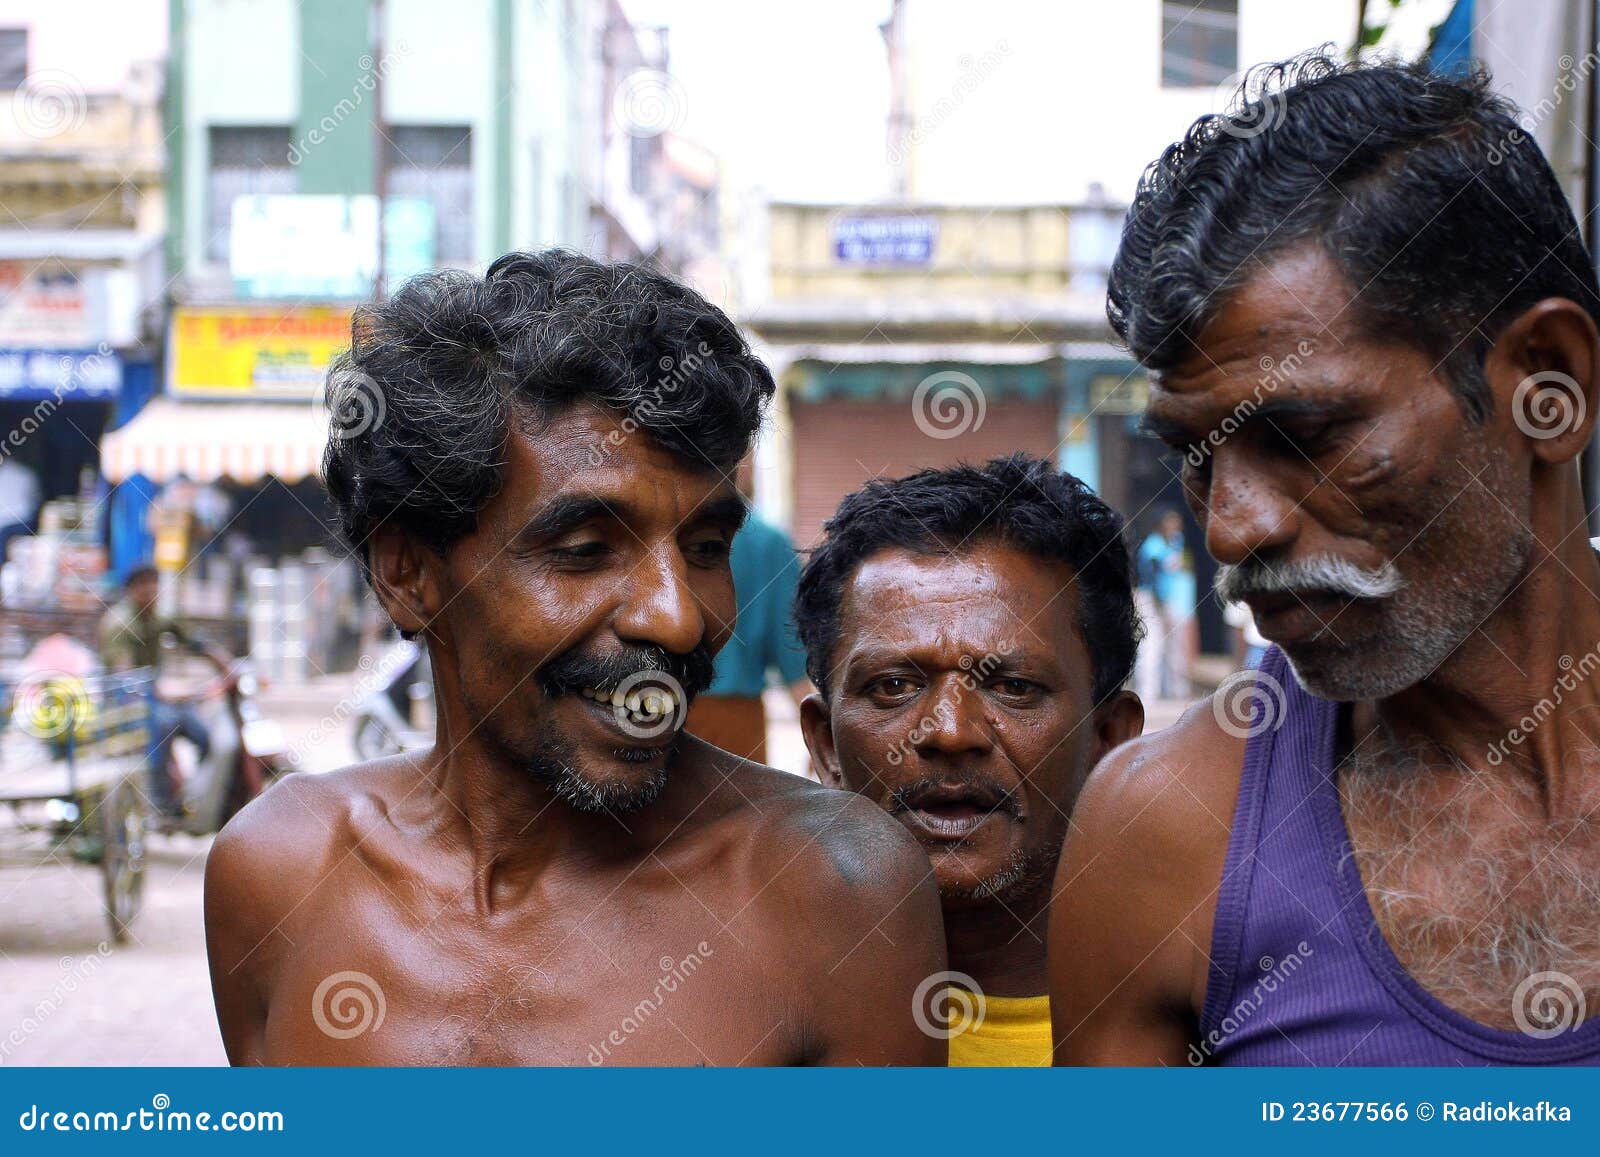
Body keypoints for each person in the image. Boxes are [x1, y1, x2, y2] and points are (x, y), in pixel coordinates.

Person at [204, 251, 946, 1066]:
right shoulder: (277, 872)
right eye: (586, 548)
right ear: (409, 574)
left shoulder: (837, 890)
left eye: (705, 546)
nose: (676, 617)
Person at [1051, 55, 1600, 1065]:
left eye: (1305, 434)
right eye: (1195, 455)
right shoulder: (1163, 836)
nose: (1232, 527)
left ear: (1546, 383)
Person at [795, 455, 1143, 1064]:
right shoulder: (735, 1009)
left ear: (1109, 738)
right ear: (825, 745)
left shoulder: (1217, 1016)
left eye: (1013, 686)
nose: (950, 733)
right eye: (892, 687)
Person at [684, 457, 810, 765]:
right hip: (738, 723)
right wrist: (817, 737)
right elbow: (792, 656)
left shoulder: (667, 532)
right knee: (738, 810)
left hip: (661, 712)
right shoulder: (769, 542)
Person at [98, 564, 231, 820]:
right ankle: (160, 804)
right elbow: (123, 674)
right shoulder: (119, 624)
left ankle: (191, 795)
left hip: (156, 694)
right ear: (132, 591)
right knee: (162, 726)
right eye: (145, 589)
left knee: (203, 734)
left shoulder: (158, 616)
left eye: (155, 588)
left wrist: (223, 661)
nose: (151, 595)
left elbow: (193, 640)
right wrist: (160, 691)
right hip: (127, 699)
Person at [1134, 509, 1193, 700]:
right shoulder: (1152, 546)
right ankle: (1148, 694)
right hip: (1152, 599)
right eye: (1169, 523)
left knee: (1176, 646)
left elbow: (1184, 565)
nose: (1173, 527)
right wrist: (1160, 603)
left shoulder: (1177, 540)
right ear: (1160, 525)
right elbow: (1152, 575)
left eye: (1176, 523)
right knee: (1152, 645)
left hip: (1171, 600)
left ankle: (1177, 691)